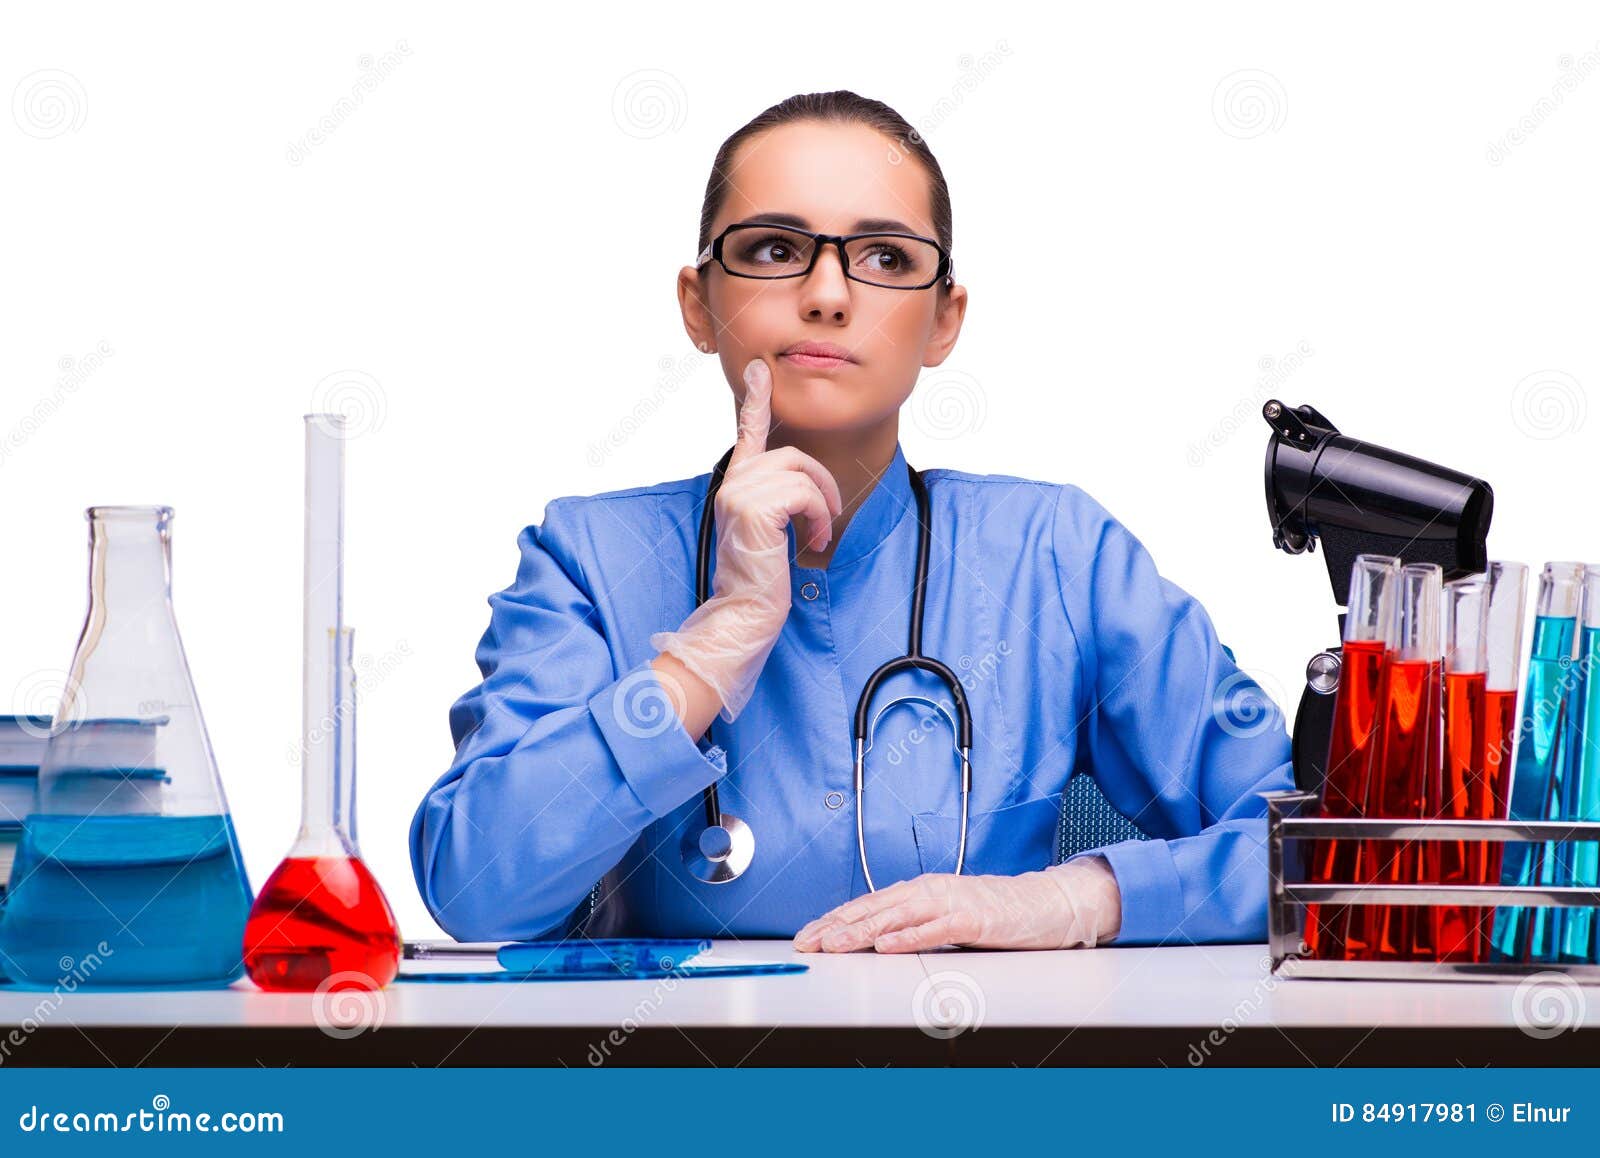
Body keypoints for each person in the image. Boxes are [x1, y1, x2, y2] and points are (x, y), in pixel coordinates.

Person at [409, 90, 1295, 953]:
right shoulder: (590, 560)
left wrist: (1076, 897)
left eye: (885, 258)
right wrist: (704, 657)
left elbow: (1304, 844)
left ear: (943, 319)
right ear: (697, 303)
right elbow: (474, 888)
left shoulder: (1055, 555)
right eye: (772, 248)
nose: (828, 293)